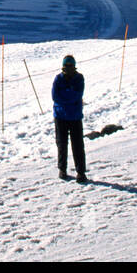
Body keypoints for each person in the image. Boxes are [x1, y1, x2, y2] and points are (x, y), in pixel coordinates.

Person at [51, 55, 86, 183]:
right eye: (66, 65)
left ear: (74, 66)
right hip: (62, 116)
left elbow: (77, 94)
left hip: (73, 116)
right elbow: (55, 96)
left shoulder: (79, 78)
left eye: (70, 65)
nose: (68, 68)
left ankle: (80, 172)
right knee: (61, 144)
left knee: (77, 145)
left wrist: (65, 95)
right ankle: (62, 169)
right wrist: (69, 94)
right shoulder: (58, 79)